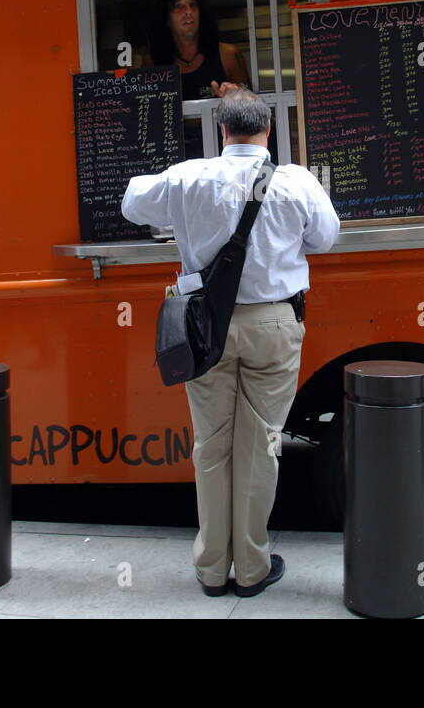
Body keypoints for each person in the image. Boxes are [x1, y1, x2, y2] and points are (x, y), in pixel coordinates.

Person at [121, 88, 340, 597]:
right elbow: (326, 238)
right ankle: (253, 567)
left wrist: (179, 207)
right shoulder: (295, 180)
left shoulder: (188, 176)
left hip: (205, 330)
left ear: (222, 131)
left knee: (212, 446)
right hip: (273, 327)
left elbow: (131, 202)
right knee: (261, 446)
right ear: (267, 131)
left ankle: (213, 569)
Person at [146, 0, 250, 100]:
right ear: (166, 19)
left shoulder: (228, 55)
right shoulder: (153, 62)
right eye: (179, 6)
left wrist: (235, 96)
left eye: (193, 4)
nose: (188, 11)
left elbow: (252, 111)